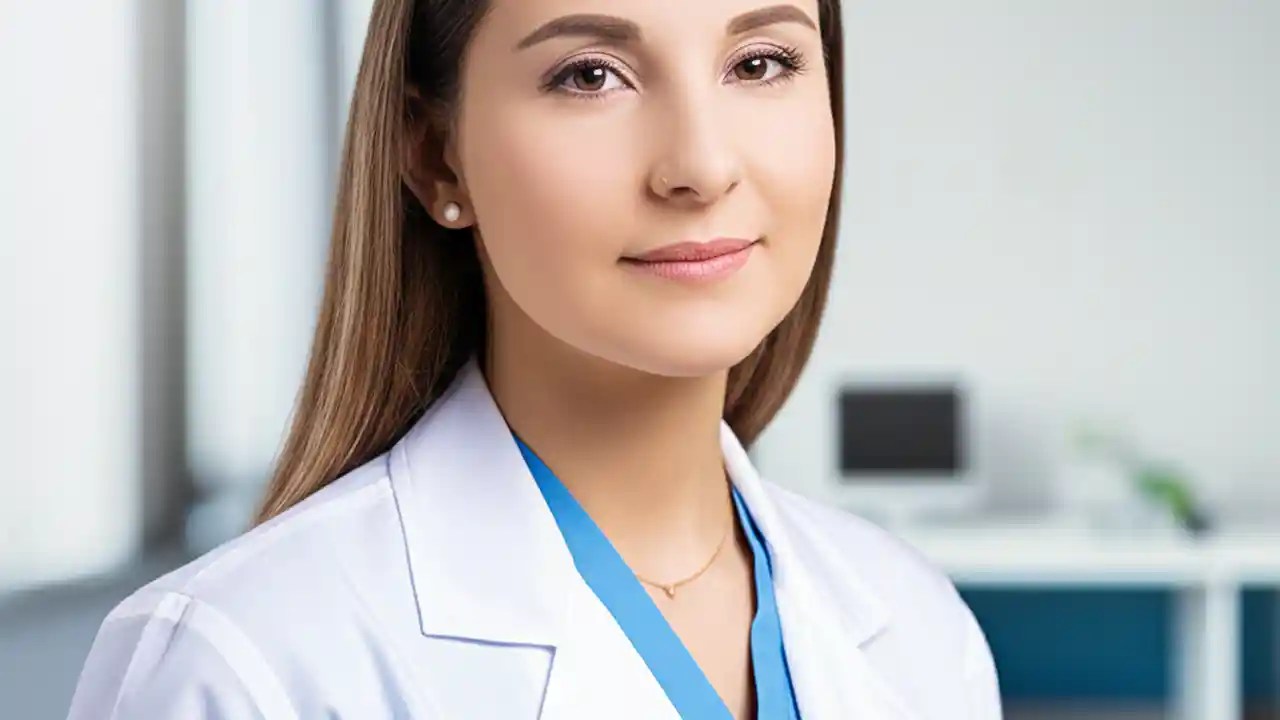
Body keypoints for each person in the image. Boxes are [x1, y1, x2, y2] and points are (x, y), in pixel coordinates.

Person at [68, 0, 1002, 717]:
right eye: (591, 75)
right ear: (436, 156)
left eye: (760, 62)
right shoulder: (246, 662)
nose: (702, 165)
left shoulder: (919, 633)